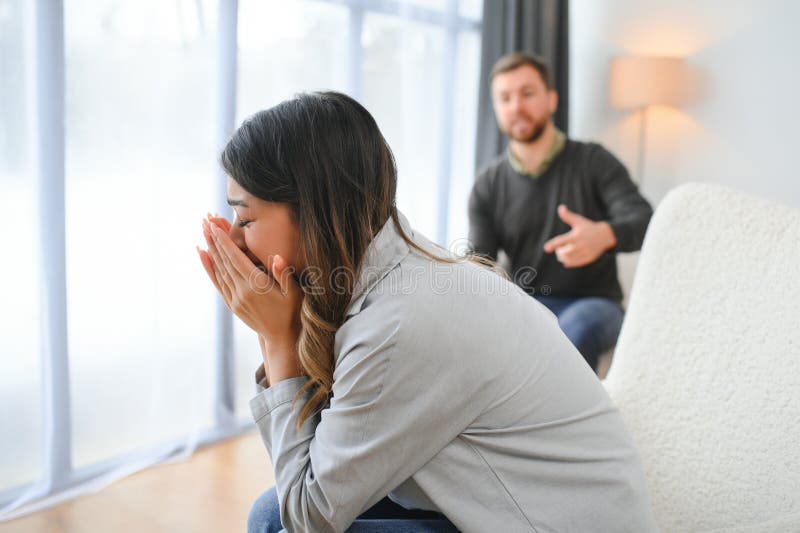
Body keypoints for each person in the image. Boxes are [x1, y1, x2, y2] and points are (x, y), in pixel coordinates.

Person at [197, 91, 656, 532]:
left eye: (246, 218)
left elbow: (309, 518)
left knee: (281, 520)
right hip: (519, 500)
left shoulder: (397, 323)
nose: (233, 239)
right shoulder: (390, 263)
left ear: (314, 209)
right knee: (267, 513)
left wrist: (275, 337)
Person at [468, 52, 653, 373]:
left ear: (551, 100)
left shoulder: (594, 161)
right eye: (505, 98)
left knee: (572, 331)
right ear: (496, 109)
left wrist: (605, 235)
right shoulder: (487, 184)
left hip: (595, 305)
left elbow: (645, 219)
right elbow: (478, 262)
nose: (516, 106)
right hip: (527, 306)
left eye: (527, 93)